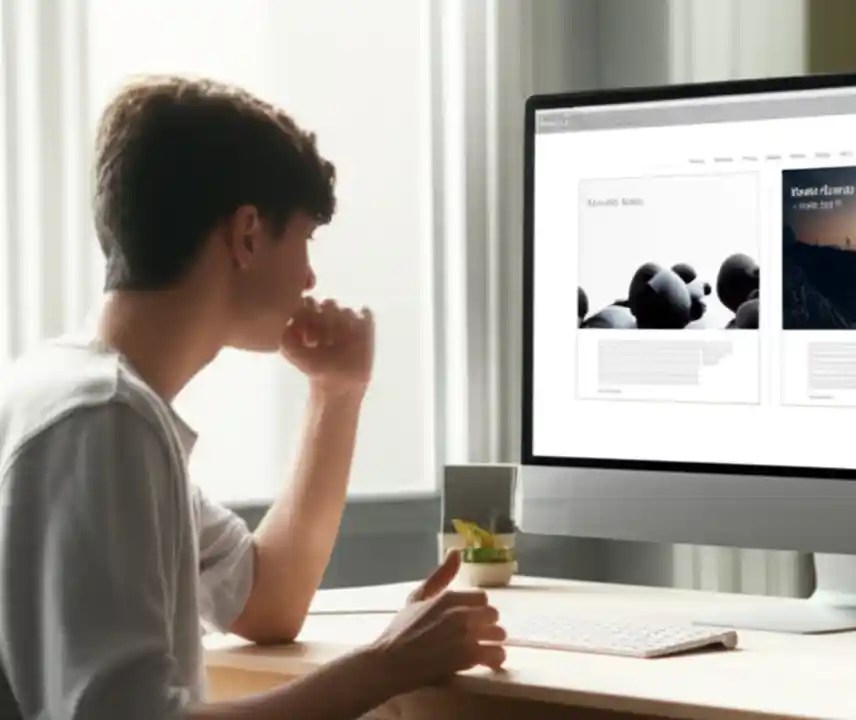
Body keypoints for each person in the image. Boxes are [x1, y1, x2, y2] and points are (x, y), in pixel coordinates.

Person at [0, 75, 505, 718]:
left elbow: (268, 601)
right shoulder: (103, 421)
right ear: (246, 235)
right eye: (304, 240)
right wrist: (386, 667)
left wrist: (336, 393)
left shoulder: (80, 394)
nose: (310, 276)